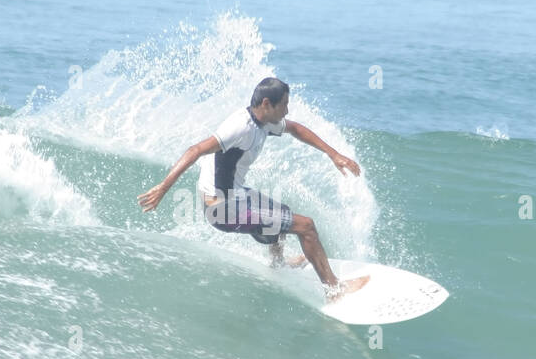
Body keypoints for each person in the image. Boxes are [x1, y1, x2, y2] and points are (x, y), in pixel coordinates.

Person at [137, 77, 370, 300]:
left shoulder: (264, 121)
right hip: (221, 209)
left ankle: (278, 265)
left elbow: (296, 129)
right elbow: (195, 150)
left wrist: (334, 155)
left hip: (235, 195)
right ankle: (334, 289)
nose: (286, 111)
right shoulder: (240, 127)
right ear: (267, 104)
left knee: (284, 213)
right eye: (284, 105)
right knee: (306, 226)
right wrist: (163, 189)